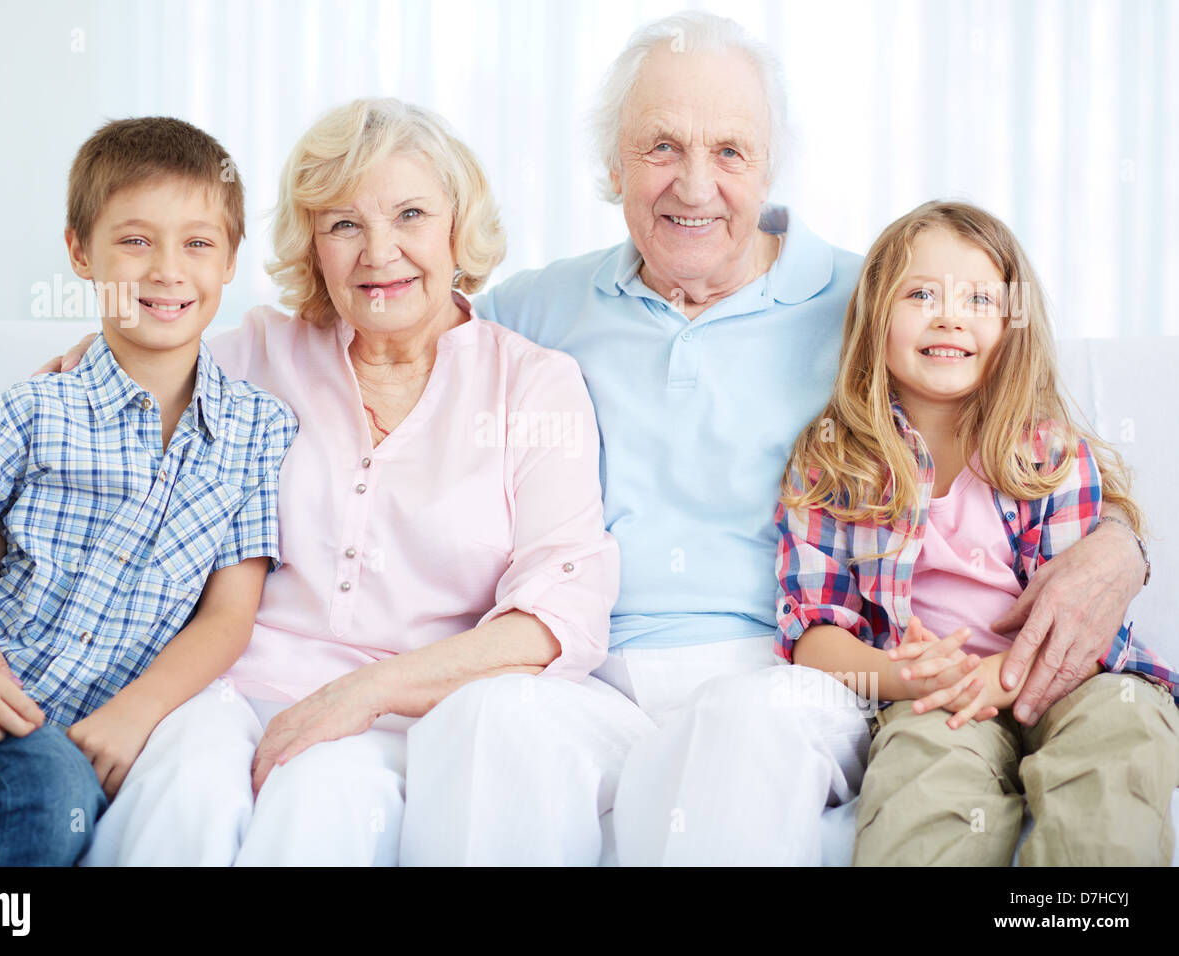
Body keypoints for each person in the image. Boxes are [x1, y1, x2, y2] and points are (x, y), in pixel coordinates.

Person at [400, 11, 1154, 864]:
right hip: (595, 672)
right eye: (660, 148)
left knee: (743, 725)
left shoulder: (875, 301)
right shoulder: (540, 307)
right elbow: (394, 340)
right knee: (493, 716)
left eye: (729, 152)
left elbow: (1021, 429)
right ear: (611, 165)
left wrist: (1119, 546)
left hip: (791, 670)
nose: (694, 186)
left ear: (768, 167)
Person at [0, 98, 624, 865]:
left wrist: (364, 692)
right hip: (220, 685)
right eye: (344, 224)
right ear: (312, 246)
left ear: (459, 227)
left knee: (320, 807)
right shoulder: (258, 351)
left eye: (410, 214)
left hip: (399, 714)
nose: (379, 253)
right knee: (181, 797)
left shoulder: (532, 384)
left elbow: (559, 615)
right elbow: (67, 457)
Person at [0, 117, 297, 865]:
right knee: (47, 791)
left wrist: (138, 712)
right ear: (81, 252)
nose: (168, 271)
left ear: (232, 258)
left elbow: (229, 614)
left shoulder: (258, 430)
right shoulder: (32, 411)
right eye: (135, 241)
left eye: (197, 243)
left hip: (72, 730)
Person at [775, 200, 1179, 865]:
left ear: (1013, 326)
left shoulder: (1046, 452)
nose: (949, 315)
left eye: (978, 299)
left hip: (1076, 678)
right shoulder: (832, 464)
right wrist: (899, 679)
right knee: (922, 778)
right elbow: (811, 635)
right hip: (930, 699)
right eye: (921, 293)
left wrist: (998, 678)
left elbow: (1086, 617)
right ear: (875, 317)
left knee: (1123, 733)